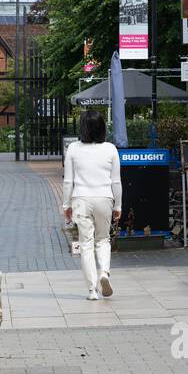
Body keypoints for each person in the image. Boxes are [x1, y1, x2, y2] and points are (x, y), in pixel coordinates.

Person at [62, 110, 122, 301]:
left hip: (81, 199)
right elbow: (116, 182)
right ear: (102, 127)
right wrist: (118, 205)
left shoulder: (73, 148)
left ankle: (91, 290)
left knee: (86, 244)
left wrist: (66, 204)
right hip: (104, 198)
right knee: (103, 239)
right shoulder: (111, 149)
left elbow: (68, 181)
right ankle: (104, 272)